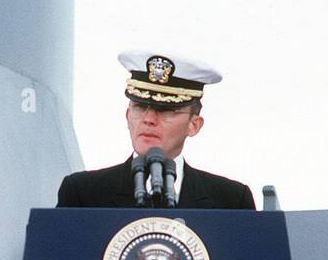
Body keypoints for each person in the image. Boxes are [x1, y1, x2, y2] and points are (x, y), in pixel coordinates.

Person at [56, 50, 256, 209]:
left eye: (166, 110)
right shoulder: (83, 194)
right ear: (128, 116)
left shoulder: (231, 200)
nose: (149, 119)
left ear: (194, 125)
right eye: (140, 107)